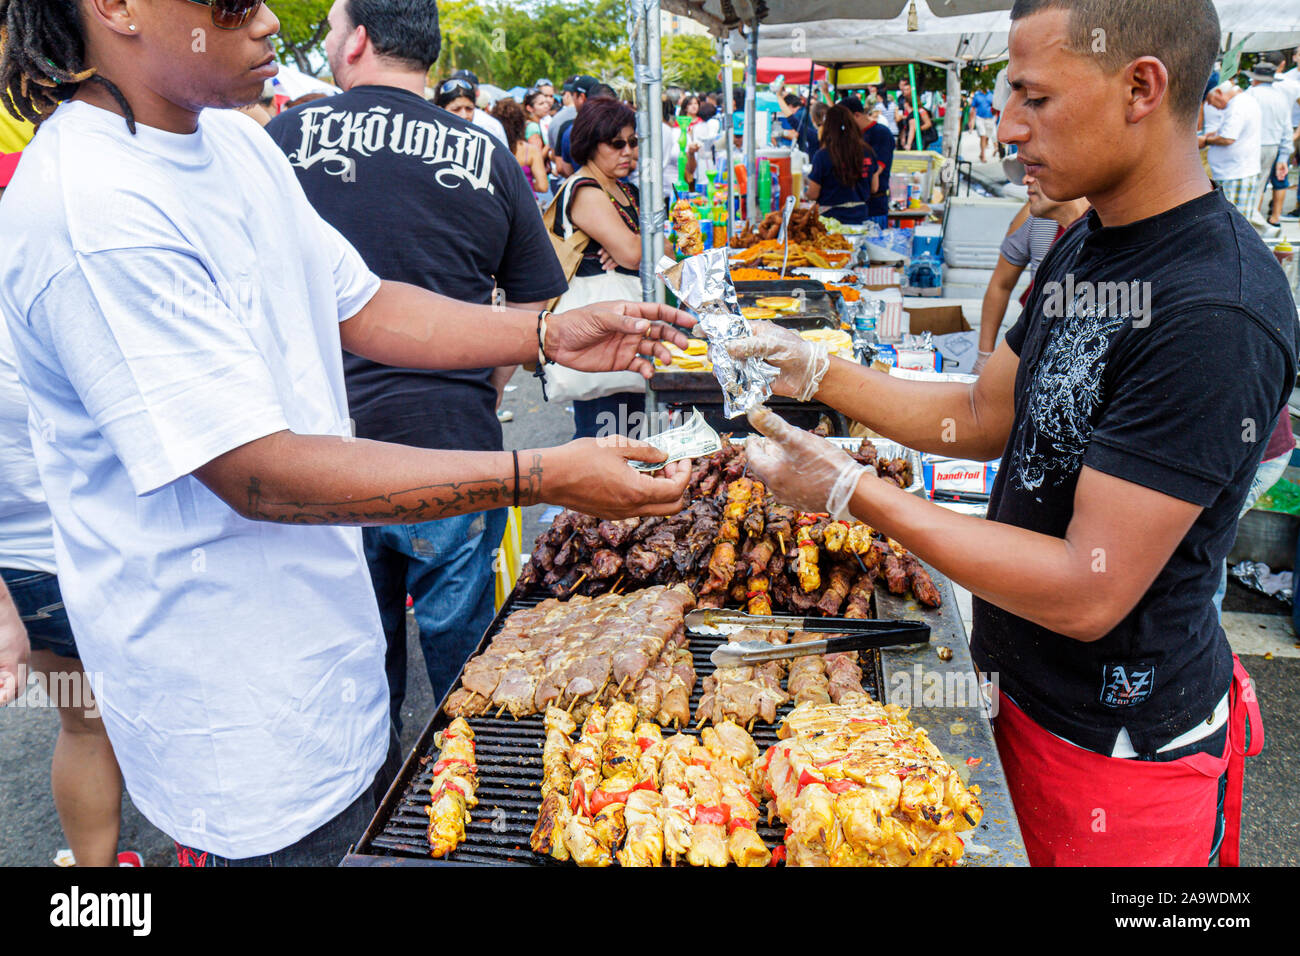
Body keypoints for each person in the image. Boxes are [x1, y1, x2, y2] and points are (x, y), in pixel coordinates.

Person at [0, 0, 694, 867]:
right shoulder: (93, 207)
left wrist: (548, 332)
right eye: (233, 3)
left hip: (328, 672)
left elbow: (364, 304)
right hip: (243, 728)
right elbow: (261, 476)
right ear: (118, 7)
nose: (264, 22)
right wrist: (540, 474)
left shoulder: (240, 144)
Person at [727, 0, 1296, 868]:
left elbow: (1086, 589)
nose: (1004, 129)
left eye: (1033, 97)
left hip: (1118, 748)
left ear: (1141, 86)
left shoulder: (1216, 308)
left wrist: (852, 492)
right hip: (1013, 691)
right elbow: (989, 415)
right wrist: (814, 371)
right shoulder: (1085, 241)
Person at [266, 0, 566, 734]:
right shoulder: (484, 151)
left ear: (359, 38)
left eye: (333, 28)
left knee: (353, 680)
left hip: (324, 457)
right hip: (456, 448)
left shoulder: (282, 141)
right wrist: (484, 381)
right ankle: (478, 799)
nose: (329, 41)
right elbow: (540, 294)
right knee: (473, 686)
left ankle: (367, 815)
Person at [1, 308, 140, 868]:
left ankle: (93, 885)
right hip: (102, 544)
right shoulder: (38, 272)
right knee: (186, 702)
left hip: (21, 571)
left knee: (83, 727)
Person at [551, 98, 663, 440]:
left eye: (632, 142)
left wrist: (642, 246)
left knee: (629, 432)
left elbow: (658, 251)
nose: (627, 151)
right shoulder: (585, 189)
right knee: (603, 434)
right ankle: (585, 491)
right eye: (616, 143)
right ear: (590, 143)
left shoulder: (627, 190)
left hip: (629, 331)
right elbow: (634, 253)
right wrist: (640, 246)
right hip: (601, 333)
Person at [974, 163, 1090, 372]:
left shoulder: (1104, 229)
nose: (1026, 180)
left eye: (1036, 170)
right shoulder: (1035, 219)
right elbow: (1001, 284)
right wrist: (984, 356)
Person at [804, 104, 884, 226]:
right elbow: (874, 188)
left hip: (831, 222)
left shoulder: (823, 155)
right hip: (860, 219)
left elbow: (813, 194)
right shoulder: (868, 152)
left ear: (828, 127)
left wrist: (804, 190)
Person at [1199, 79, 1262, 219]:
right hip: (1233, 172)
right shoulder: (1239, 103)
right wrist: (1215, 134)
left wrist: (1206, 140)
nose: (1210, 105)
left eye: (1209, 100)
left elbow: (1228, 138)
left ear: (1219, 93)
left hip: (1235, 174)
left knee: (1233, 220)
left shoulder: (1238, 106)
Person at [1242, 63, 1292, 236]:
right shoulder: (1281, 97)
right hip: (1273, 146)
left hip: (1252, 144)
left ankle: (1259, 227)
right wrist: (1283, 157)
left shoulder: (1250, 94)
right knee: (1258, 186)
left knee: (1248, 186)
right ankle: (1257, 225)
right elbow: (1287, 128)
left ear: (1255, 78)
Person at [840, 95, 894, 227]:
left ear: (857, 115)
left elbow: (877, 170)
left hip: (874, 207)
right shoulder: (849, 136)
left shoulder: (882, 133)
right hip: (850, 207)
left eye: (845, 121)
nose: (843, 125)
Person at [491, 96, 549, 197]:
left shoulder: (491, 149)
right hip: (526, 204)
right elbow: (543, 186)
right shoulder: (530, 151)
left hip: (500, 205)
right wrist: (528, 185)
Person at [447, 68, 507, 147]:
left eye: (468, 89)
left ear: (477, 93)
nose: (463, 115)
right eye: (456, 109)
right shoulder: (493, 124)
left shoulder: (491, 125)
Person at [970, 84, 996, 162]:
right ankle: (983, 156)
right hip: (980, 118)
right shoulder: (977, 95)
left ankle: (981, 153)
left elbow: (995, 106)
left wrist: (995, 116)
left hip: (990, 118)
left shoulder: (991, 94)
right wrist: (971, 121)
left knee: (987, 136)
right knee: (983, 135)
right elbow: (973, 108)